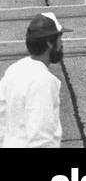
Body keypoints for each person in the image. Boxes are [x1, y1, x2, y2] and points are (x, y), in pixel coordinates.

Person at [0, 12, 65, 147]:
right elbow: (42, 138)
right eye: (60, 37)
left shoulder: (15, 69)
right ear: (49, 43)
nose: (62, 43)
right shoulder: (43, 81)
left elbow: (2, 118)